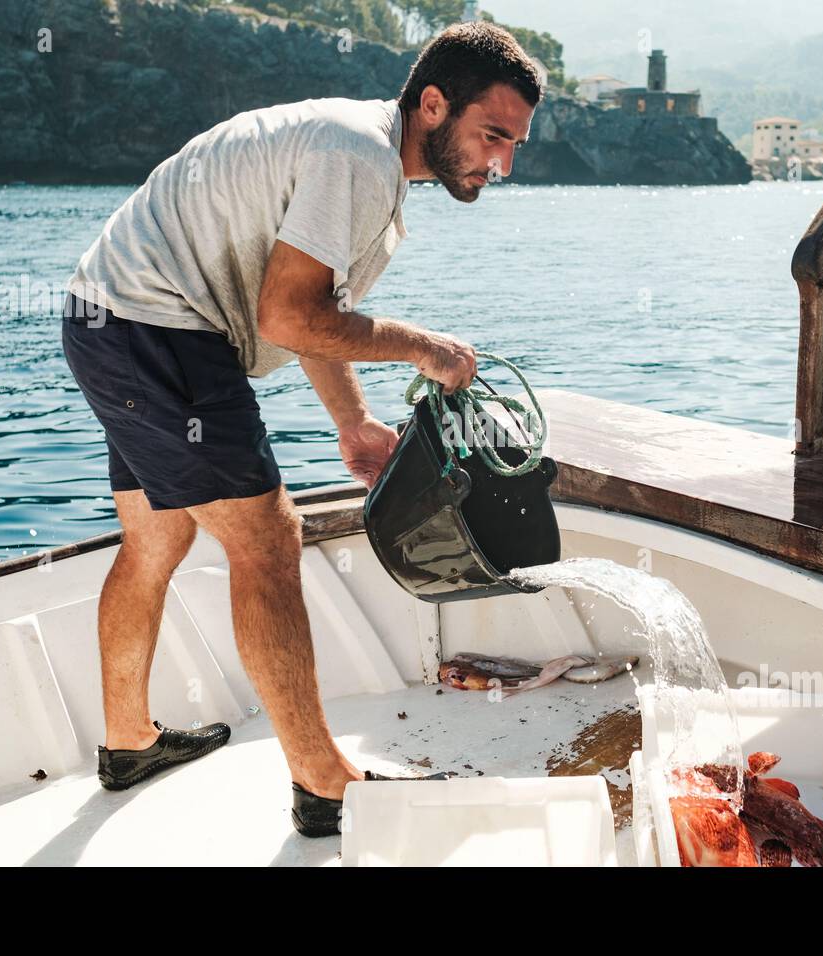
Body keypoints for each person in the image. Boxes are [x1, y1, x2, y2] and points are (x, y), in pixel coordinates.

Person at [59, 21, 541, 837]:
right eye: (493, 134)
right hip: (158, 329)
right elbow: (291, 312)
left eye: (516, 144)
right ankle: (325, 785)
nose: (503, 162)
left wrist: (353, 422)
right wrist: (428, 351)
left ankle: (127, 742)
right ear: (433, 104)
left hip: (112, 316)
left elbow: (309, 315)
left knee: (155, 542)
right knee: (269, 543)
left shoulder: (363, 153)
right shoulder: (357, 157)